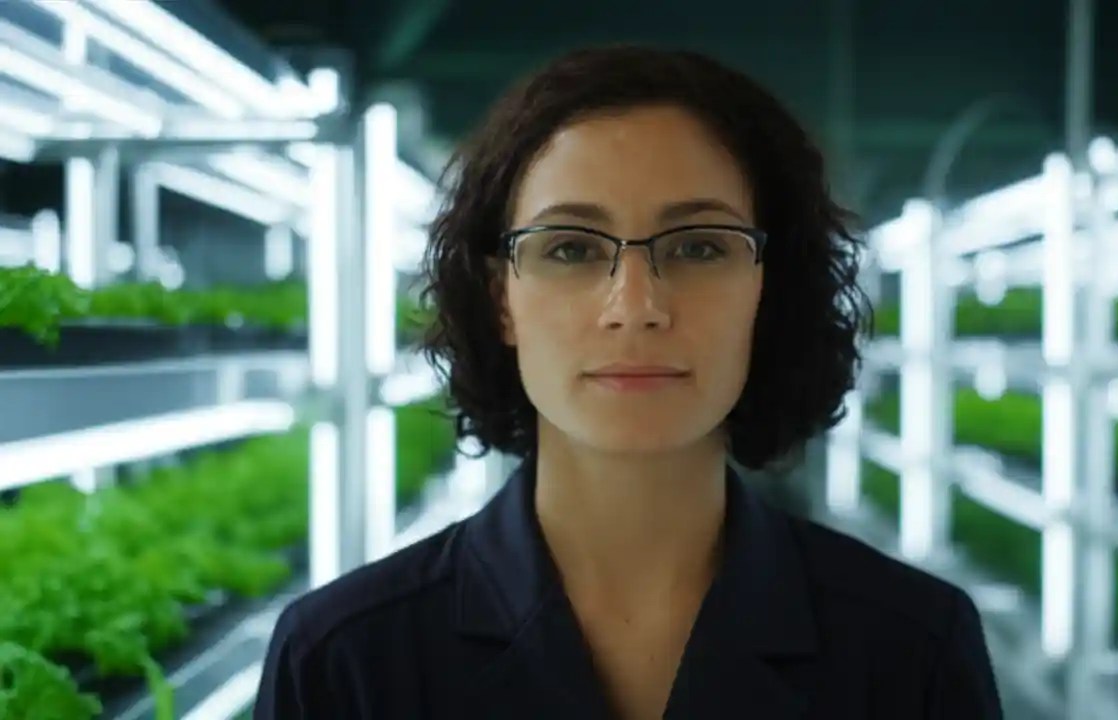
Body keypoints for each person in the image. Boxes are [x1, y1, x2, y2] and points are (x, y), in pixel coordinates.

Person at [255, 44, 1003, 720]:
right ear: (500, 301)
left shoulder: (911, 650)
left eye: (701, 247)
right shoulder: (342, 660)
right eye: (573, 249)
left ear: (768, 292)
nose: (636, 307)